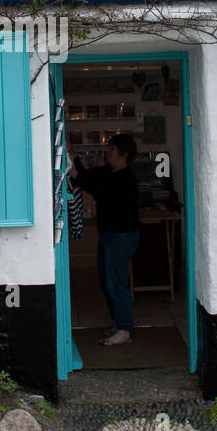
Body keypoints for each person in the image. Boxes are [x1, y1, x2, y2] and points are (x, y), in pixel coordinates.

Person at [68, 133, 140, 346]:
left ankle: (124, 329)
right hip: (109, 235)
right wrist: (75, 161)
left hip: (121, 236)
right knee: (106, 282)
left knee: (116, 283)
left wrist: (70, 170)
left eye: (111, 150)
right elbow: (88, 176)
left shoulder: (125, 177)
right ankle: (119, 323)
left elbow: (94, 186)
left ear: (124, 155)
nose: (107, 153)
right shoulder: (110, 171)